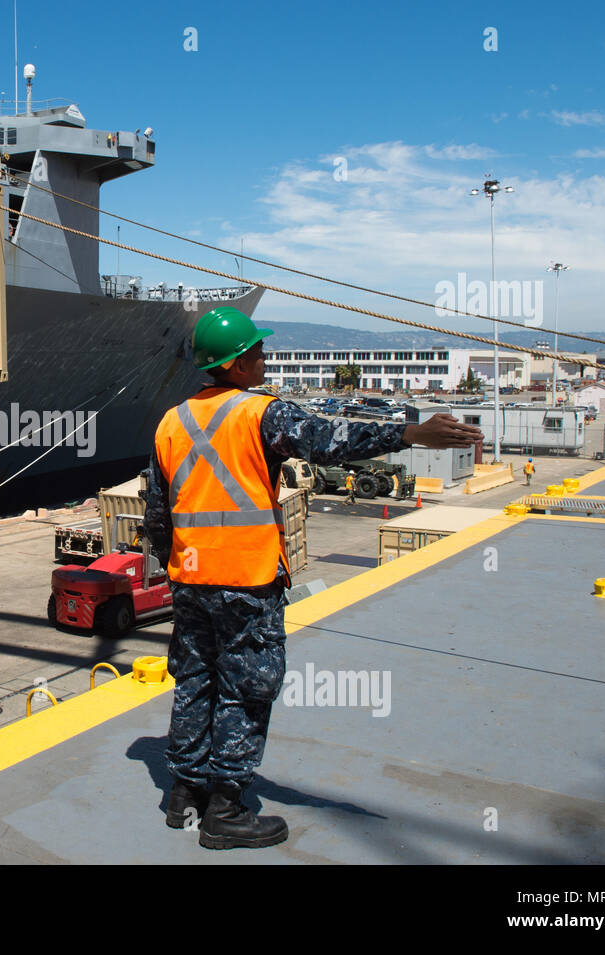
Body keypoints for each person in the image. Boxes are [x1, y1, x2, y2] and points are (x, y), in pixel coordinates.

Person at [144, 306, 484, 850]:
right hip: (247, 579)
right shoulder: (261, 413)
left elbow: (158, 516)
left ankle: (184, 792)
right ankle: (226, 810)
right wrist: (412, 433)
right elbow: (330, 440)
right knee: (246, 688)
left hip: (190, 579)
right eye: (254, 351)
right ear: (233, 366)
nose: (263, 357)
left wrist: (179, 567)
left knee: (195, 680)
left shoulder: (171, 421)